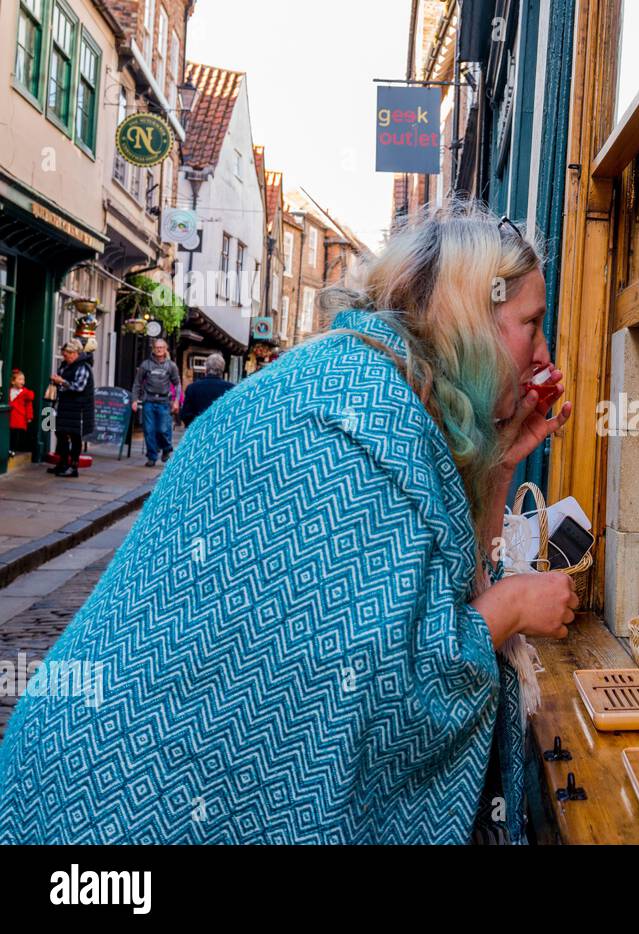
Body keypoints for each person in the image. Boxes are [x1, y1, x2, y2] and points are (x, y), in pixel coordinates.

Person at [0, 200, 575, 844]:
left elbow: (432, 595)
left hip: (88, 777)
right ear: (474, 319)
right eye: (532, 322)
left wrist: (497, 468)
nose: (544, 352)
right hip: (124, 813)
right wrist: (512, 609)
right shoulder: (367, 429)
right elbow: (384, 700)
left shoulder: (345, 378)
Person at [131, 337, 180, 466]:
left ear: (165, 350)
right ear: (153, 349)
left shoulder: (171, 366)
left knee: (163, 429)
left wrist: (176, 401)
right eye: (157, 347)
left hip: (164, 402)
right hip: (149, 401)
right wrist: (134, 400)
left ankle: (166, 449)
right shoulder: (146, 364)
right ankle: (152, 457)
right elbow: (137, 383)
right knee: (149, 430)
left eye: (161, 347)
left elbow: (177, 384)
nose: (159, 350)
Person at [49, 341, 94, 478]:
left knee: (75, 437)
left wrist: (61, 382)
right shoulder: (65, 365)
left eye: (67, 355)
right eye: (64, 355)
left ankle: (73, 467)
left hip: (78, 407)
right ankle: (62, 463)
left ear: (75, 353)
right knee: (60, 434)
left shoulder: (83, 367)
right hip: (64, 405)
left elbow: (79, 387)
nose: (65, 357)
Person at [179, 352, 234, 425]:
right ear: (222, 369)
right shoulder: (231, 388)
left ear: (206, 368)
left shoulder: (192, 388)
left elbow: (185, 415)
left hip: (198, 430)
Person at [8, 368, 35, 458]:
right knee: (8, 433)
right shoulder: (9, 391)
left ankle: (12, 449)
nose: (22, 381)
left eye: (23, 379)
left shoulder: (25, 393)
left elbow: (29, 406)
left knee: (15, 435)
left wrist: (29, 417)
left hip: (19, 417)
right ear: (13, 381)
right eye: (19, 379)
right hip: (9, 417)